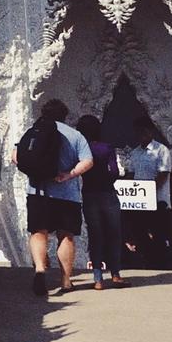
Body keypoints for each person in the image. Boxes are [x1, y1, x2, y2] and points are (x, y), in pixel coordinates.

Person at [25, 98, 94, 298]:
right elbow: (88, 161)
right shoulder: (75, 135)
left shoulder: (34, 131)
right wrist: (69, 175)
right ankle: (65, 280)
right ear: (64, 115)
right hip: (67, 195)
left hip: (38, 191)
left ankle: (40, 269)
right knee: (66, 235)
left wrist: (35, 172)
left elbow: (16, 156)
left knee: (39, 232)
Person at [74, 114, 125, 289]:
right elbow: (114, 171)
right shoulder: (106, 148)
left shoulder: (80, 149)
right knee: (114, 233)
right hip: (107, 193)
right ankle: (116, 274)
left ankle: (98, 278)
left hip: (89, 193)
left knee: (95, 235)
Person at [121, 115, 172, 268]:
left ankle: (161, 267)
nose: (141, 135)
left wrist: (148, 191)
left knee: (159, 235)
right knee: (139, 233)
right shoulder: (135, 153)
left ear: (151, 131)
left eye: (144, 131)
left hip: (158, 201)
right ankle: (147, 264)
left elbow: (163, 174)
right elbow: (131, 174)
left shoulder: (161, 150)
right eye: (138, 132)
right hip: (139, 203)